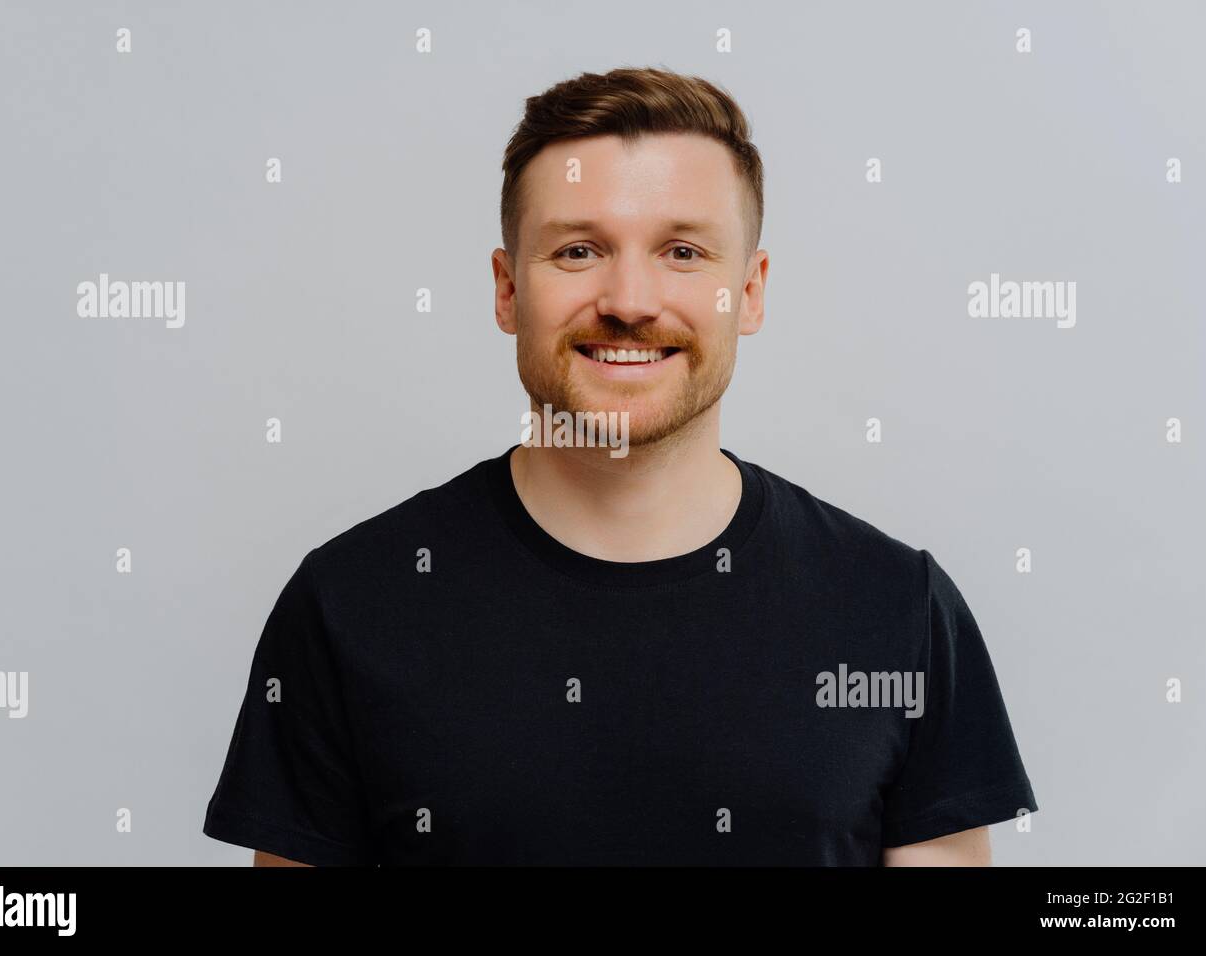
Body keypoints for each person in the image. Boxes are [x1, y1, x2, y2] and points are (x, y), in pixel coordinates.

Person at [203, 66, 1037, 866]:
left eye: (683, 252)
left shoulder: (895, 610)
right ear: (506, 290)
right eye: (576, 252)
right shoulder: (350, 602)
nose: (630, 300)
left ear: (748, 293)